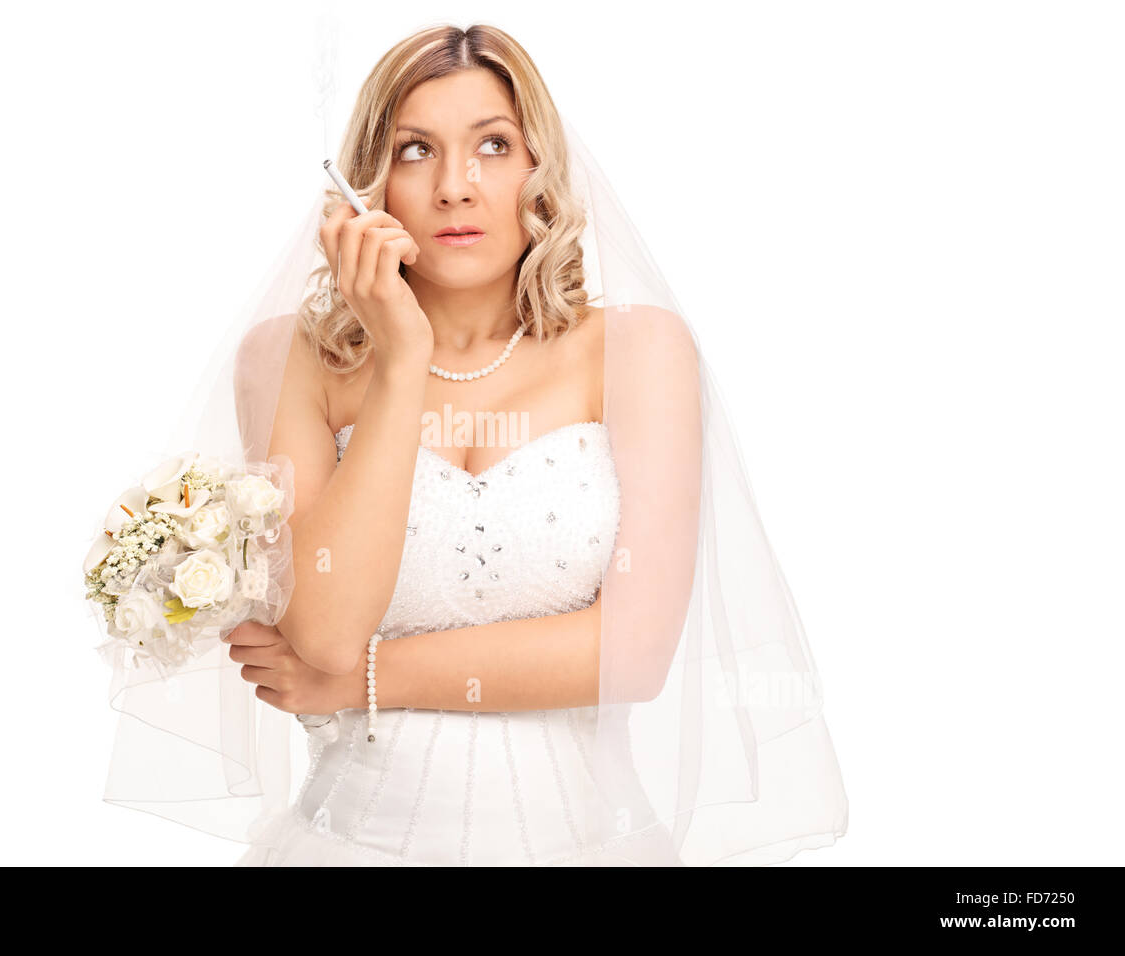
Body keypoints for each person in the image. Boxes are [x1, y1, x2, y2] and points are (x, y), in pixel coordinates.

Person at [101, 23, 850, 866]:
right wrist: (400, 360)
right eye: (416, 150)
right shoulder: (288, 360)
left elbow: (632, 654)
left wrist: (360, 686)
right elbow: (325, 632)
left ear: (540, 169)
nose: (456, 186)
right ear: (367, 185)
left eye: (493, 145)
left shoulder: (641, 351)